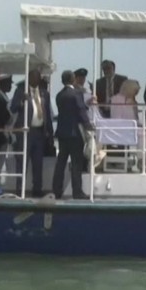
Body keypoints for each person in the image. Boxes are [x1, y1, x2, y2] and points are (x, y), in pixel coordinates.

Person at [10, 70, 53, 198]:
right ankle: (20, 189)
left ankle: (37, 189)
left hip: (39, 132)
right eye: (33, 77)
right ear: (28, 78)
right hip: (25, 132)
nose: (35, 79)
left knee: (38, 162)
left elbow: (47, 114)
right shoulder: (21, 91)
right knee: (22, 162)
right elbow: (13, 108)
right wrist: (22, 101)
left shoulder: (44, 93)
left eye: (37, 77)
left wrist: (49, 132)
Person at [53, 70, 94, 199]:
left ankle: (56, 190)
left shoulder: (59, 95)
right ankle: (77, 191)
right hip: (74, 133)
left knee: (61, 162)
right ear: (73, 79)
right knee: (77, 163)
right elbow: (80, 111)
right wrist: (89, 126)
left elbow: (69, 110)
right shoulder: (76, 94)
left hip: (62, 132)